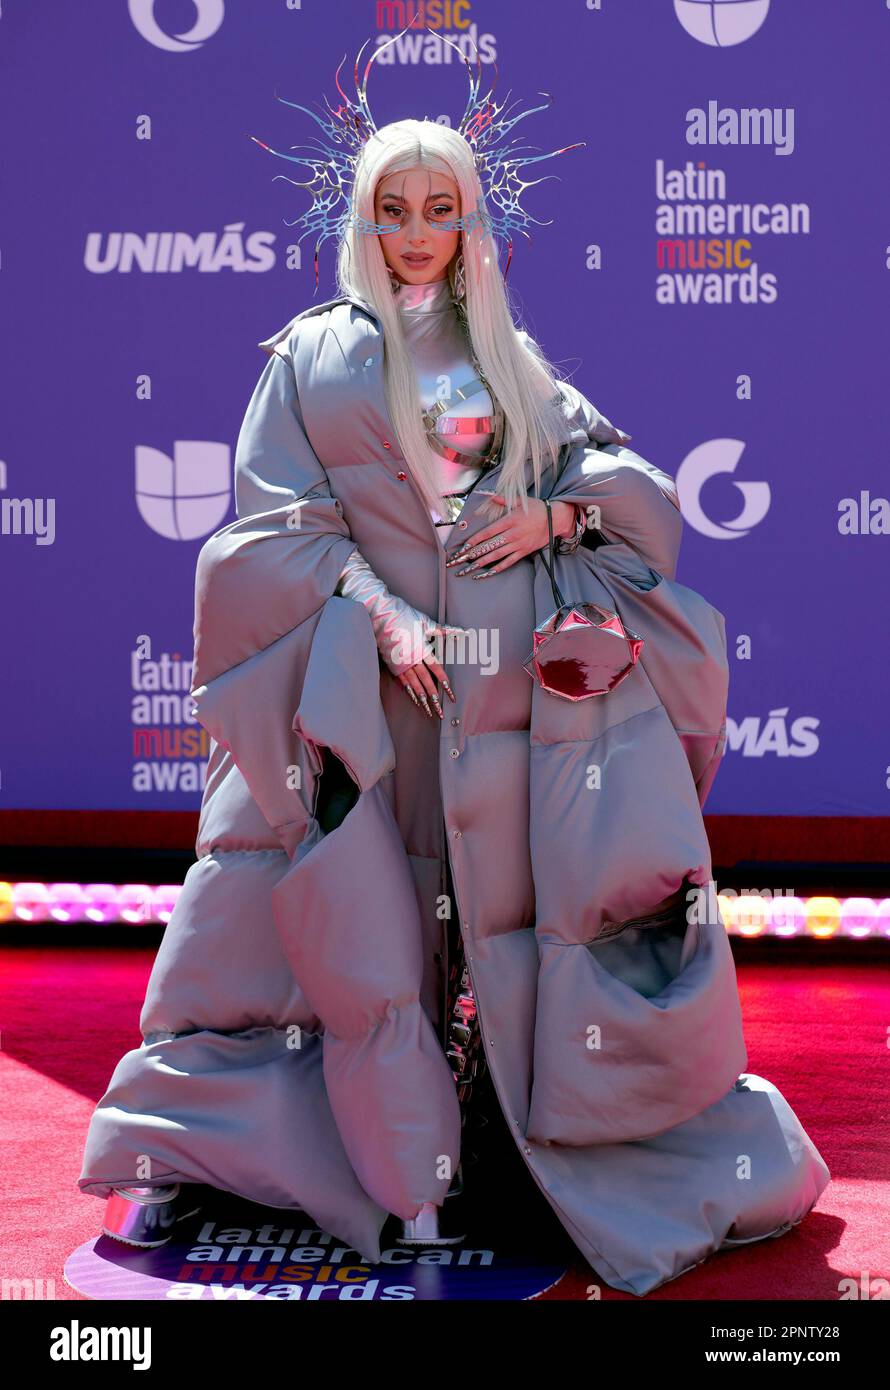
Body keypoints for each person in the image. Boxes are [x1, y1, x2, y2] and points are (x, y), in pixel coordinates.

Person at [78, 31, 830, 1296]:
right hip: (352, 701)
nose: (414, 230)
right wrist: (377, 613)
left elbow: (616, 485)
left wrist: (552, 518)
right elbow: (271, 527)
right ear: (359, 218)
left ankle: (466, 1153)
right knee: (292, 929)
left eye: (439, 208)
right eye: (391, 208)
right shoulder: (308, 354)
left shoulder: (505, 357)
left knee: (477, 937)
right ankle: (187, 1153)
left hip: (493, 706)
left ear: (469, 219)